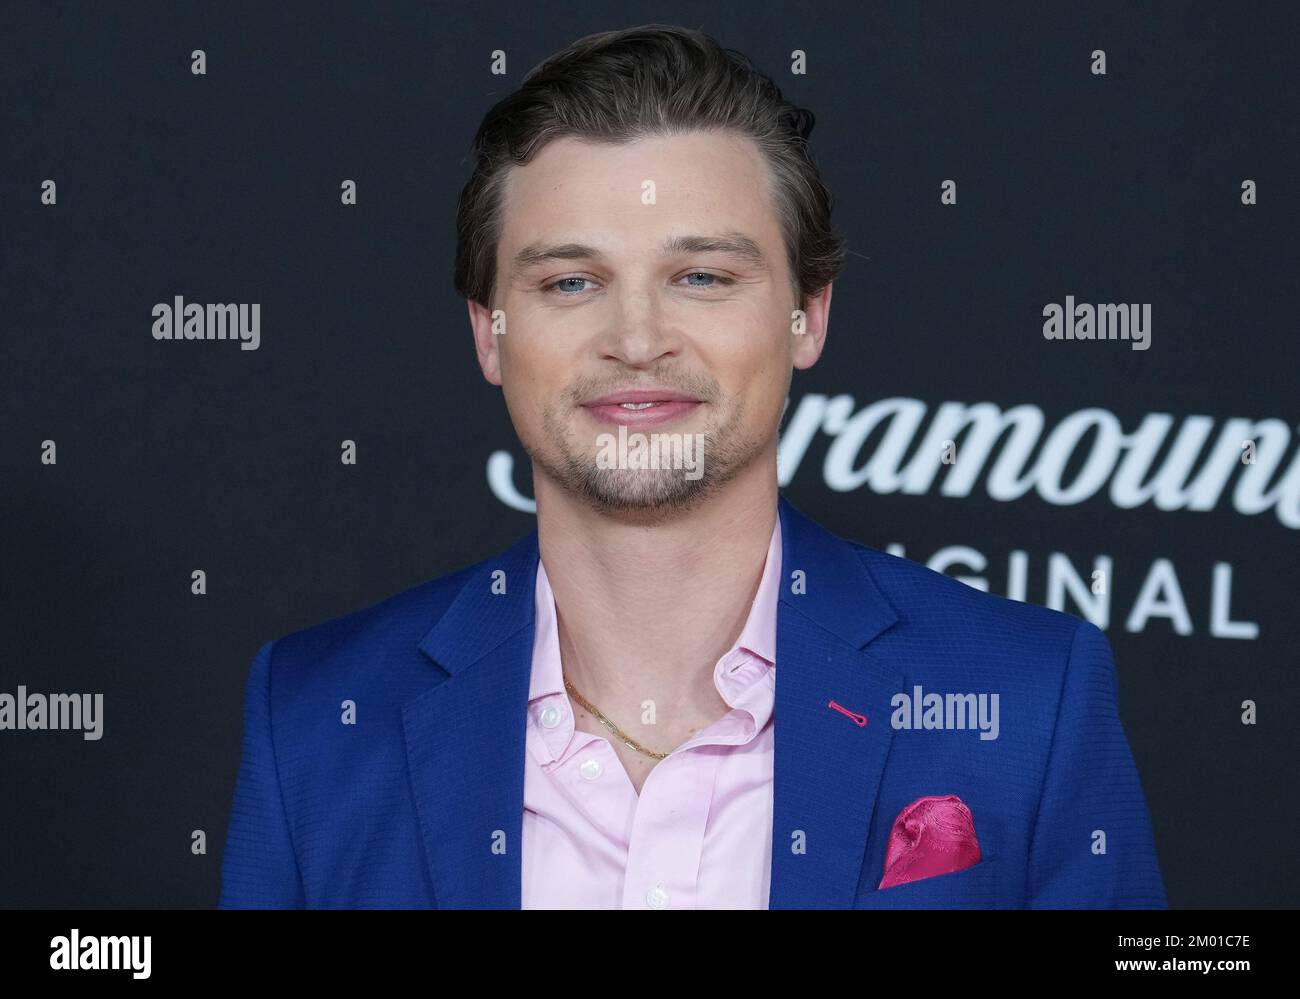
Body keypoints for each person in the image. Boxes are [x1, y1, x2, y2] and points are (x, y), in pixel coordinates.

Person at [219, 23, 1166, 909]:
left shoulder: (1030, 702)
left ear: (809, 315)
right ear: (490, 334)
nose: (637, 340)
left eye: (703, 276)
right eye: (570, 282)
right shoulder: (315, 718)